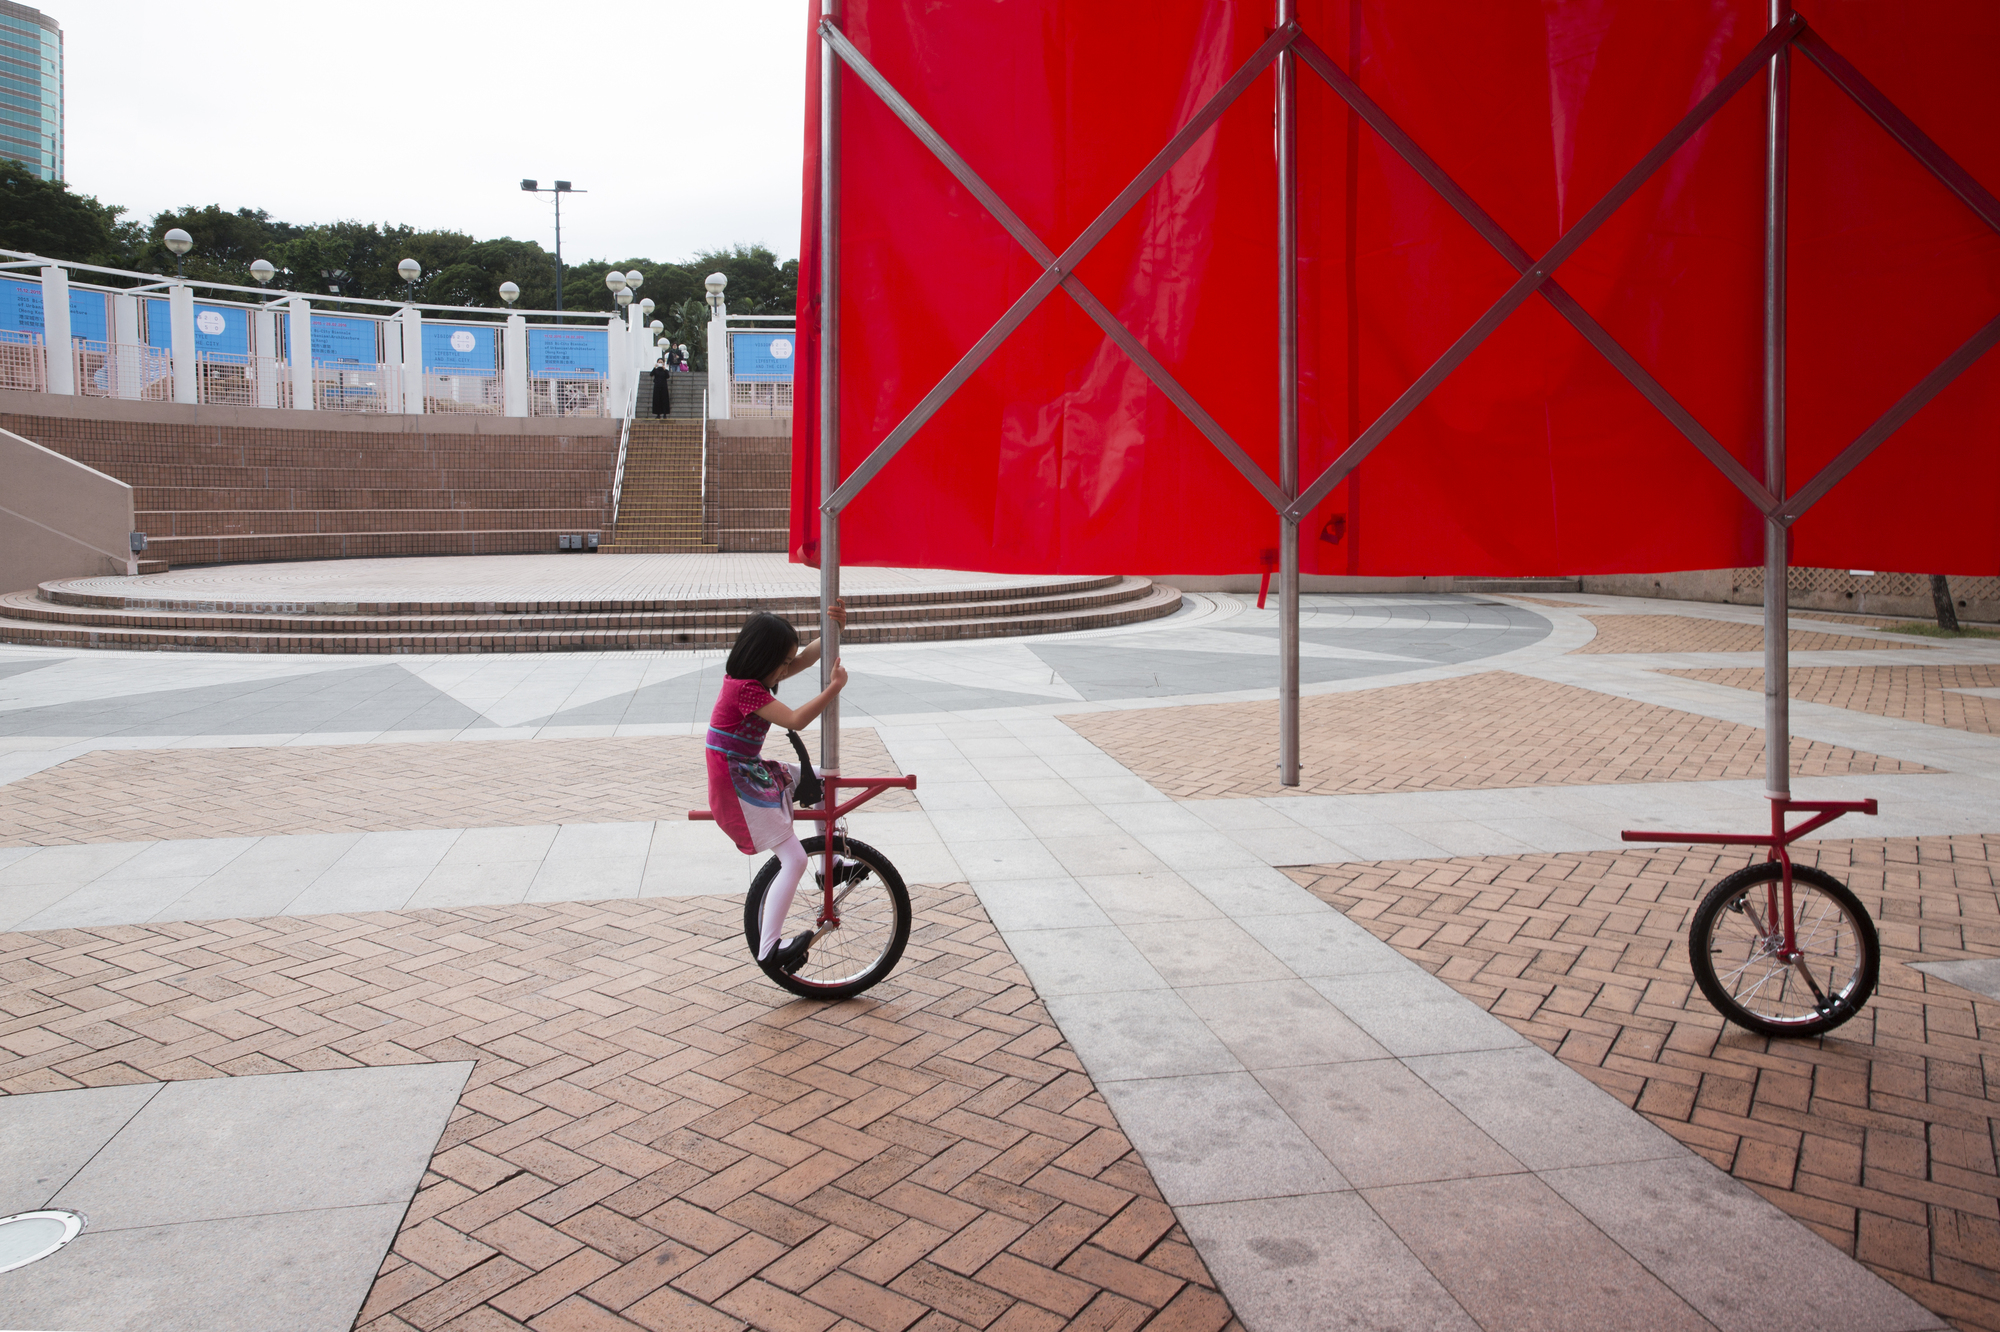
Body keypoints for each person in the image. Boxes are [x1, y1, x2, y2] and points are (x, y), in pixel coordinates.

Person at [705, 602, 849, 972]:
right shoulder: (745, 690)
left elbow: (805, 659)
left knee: (820, 779)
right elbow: (797, 720)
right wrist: (834, 688)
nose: (787, 669)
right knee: (794, 859)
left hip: (748, 769)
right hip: (735, 782)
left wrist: (833, 631)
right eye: (782, 663)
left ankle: (830, 866)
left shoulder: (753, 680)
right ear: (762, 659)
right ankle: (769, 948)